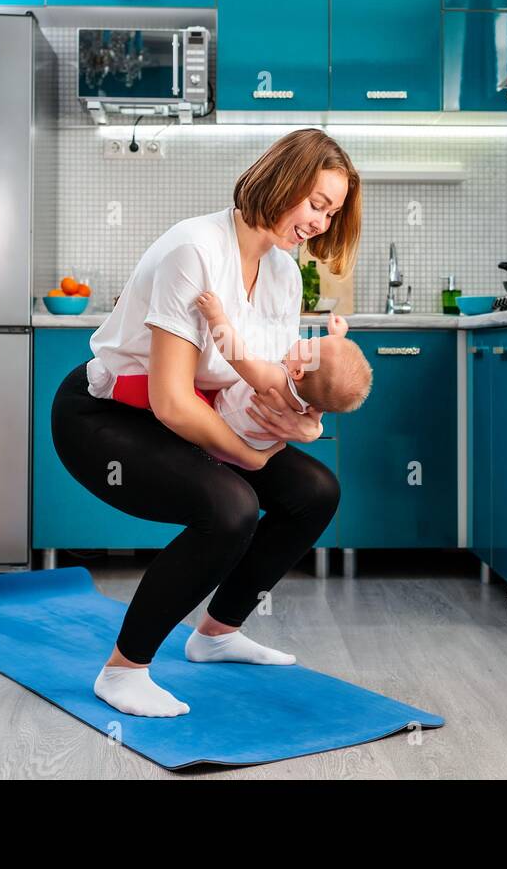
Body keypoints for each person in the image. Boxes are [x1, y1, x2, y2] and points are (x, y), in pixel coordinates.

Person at [50, 128, 362, 717]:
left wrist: (302, 421)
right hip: (109, 413)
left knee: (316, 490)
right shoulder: (194, 249)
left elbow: (264, 377)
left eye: (333, 212)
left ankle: (215, 634)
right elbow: (171, 400)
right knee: (231, 506)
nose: (322, 222)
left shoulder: (285, 275)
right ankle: (124, 670)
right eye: (318, 204)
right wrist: (247, 456)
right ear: (283, 181)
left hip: (200, 408)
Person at [192, 290, 372, 450]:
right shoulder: (315, 402)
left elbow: (237, 357)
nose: (306, 339)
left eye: (310, 343)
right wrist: (337, 336)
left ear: (297, 372)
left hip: (223, 422)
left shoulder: (274, 381)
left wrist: (215, 316)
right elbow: (328, 373)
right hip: (255, 443)